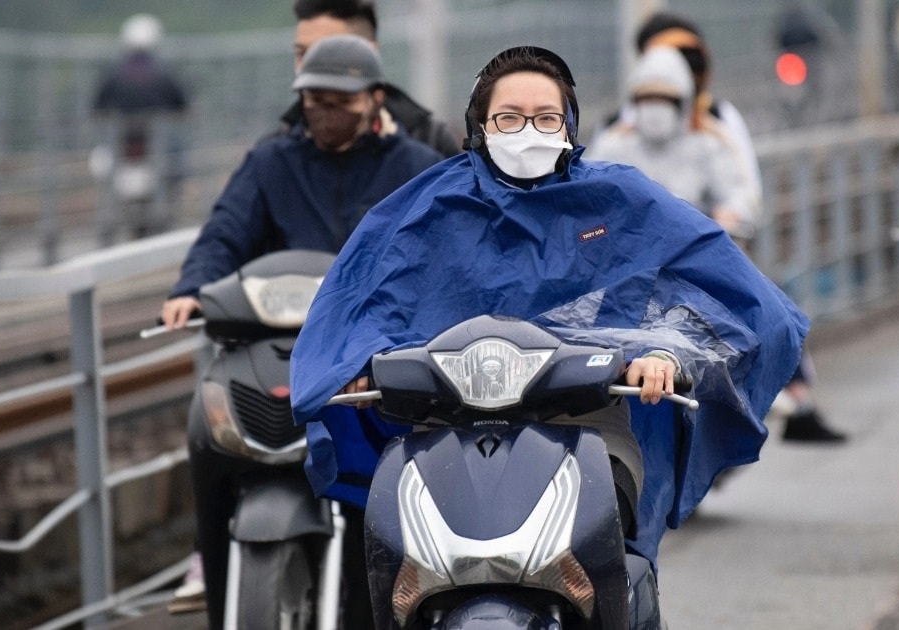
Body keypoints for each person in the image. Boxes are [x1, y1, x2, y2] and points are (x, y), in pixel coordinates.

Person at [287, 46, 809, 622]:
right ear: (478, 126)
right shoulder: (427, 208)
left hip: (585, 429)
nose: (527, 131)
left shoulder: (619, 200)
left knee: (614, 570)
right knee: (391, 566)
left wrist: (664, 352)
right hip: (443, 429)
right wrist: (359, 357)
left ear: (570, 125)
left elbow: (722, 291)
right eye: (508, 117)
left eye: (546, 117)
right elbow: (361, 299)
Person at [161, 35, 442, 627]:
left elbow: (443, 251)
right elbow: (225, 231)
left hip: (373, 355)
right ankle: (208, 567)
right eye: (312, 99)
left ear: (373, 99)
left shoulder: (413, 166)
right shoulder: (272, 163)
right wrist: (192, 287)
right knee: (206, 435)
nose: (323, 111)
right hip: (278, 347)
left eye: (338, 100)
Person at [627, 10, 845, 443]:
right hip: (636, 261)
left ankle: (792, 395)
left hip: (703, 251)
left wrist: (723, 225)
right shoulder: (621, 128)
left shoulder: (718, 124)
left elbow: (744, 191)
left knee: (765, 304)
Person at [588, 46, 756, 238]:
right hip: (626, 252)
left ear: (682, 103)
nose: (655, 108)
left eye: (665, 99)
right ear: (634, 101)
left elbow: (738, 192)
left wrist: (731, 213)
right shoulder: (612, 145)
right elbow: (586, 197)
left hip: (692, 251)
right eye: (647, 98)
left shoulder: (707, 146)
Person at [285, 0, 462, 157]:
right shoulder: (275, 159)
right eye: (302, 53)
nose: (311, 66)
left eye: (329, 51)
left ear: (371, 53)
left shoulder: (430, 144)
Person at [91, 13, 189, 238]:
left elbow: (97, 108)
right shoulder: (162, 74)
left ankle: (116, 220)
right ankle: (168, 207)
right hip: (155, 147)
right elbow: (181, 105)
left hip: (123, 145)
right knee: (178, 158)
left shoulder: (114, 74)